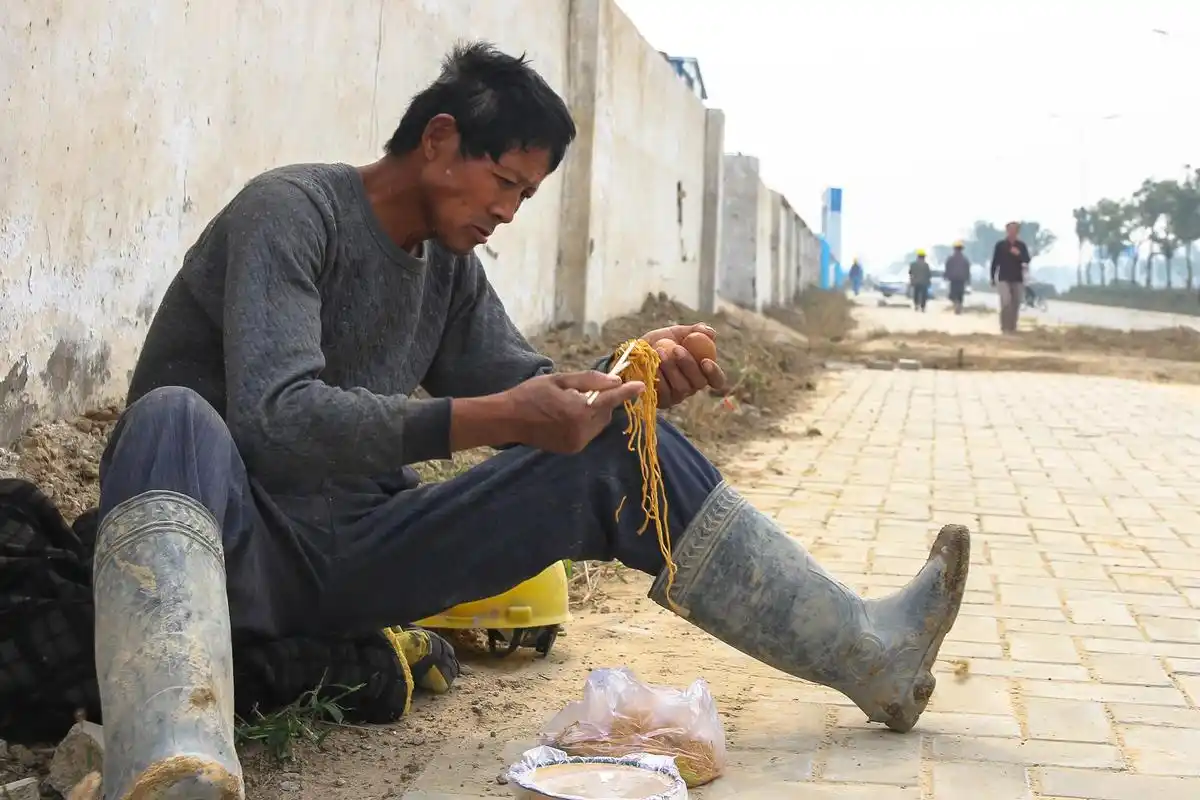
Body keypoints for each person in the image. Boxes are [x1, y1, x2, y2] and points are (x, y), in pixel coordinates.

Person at [91, 41, 970, 798]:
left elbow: (526, 386)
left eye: (526, 195)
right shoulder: (291, 213)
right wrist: (488, 417)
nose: (507, 212)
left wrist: (629, 379)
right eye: (503, 181)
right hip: (223, 550)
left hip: (349, 563)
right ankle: (180, 760)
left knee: (619, 451)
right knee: (172, 417)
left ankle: (872, 656)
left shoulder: (447, 268)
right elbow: (278, 418)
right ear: (440, 141)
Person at [991, 221, 1032, 333]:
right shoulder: (1000, 245)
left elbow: (1027, 260)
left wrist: (1019, 254)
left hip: (1017, 278)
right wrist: (992, 277)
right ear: (1007, 231)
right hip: (1003, 278)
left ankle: (1012, 326)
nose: (1012, 232)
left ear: (1017, 232)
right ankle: (1004, 326)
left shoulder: (1021, 246)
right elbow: (995, 262)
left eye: (1015, 230)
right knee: (1006, 301)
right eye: (1010, 230)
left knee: (1016, 303)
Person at [944, 241, 971, 314]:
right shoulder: (965, 259)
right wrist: (968, 280)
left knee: (953, 294)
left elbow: (947, 268)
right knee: (960, 294)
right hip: (961, 279)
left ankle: (957, 304)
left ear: (954, 249)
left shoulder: (950, 259)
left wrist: (946, 276)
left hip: (953, 279)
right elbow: (967, 270)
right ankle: (958, 306)